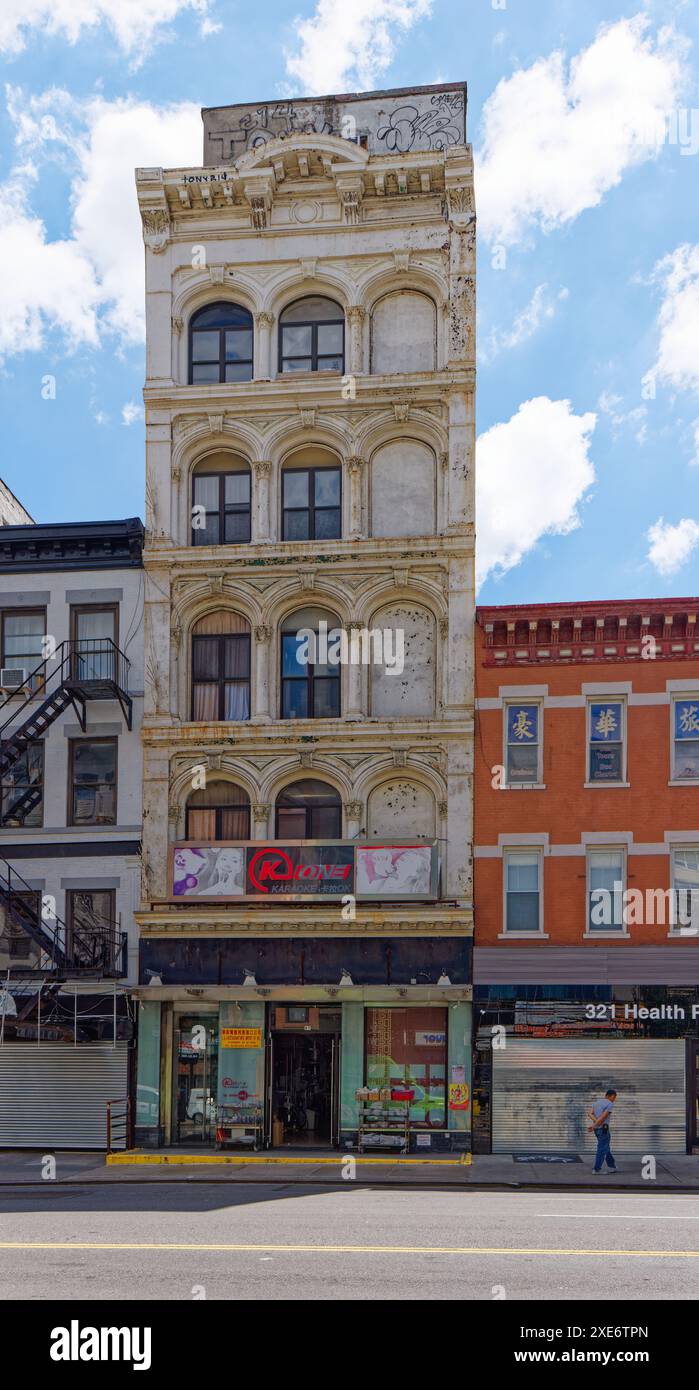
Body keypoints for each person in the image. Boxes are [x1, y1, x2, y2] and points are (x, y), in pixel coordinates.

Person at [588, 1088, 618, 1172]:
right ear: (611, 1096)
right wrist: (595, 1125)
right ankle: (597, 1169)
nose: (614, 1099)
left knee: (605, 1147)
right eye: (614, 1097)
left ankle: (612, 1166)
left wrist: (595, 1122)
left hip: (597, 1130)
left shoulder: (596, 1103)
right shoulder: (609, 1104)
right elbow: (602, 1118)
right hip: (603, 1129)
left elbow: (589, 1113)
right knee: (602, 1148)